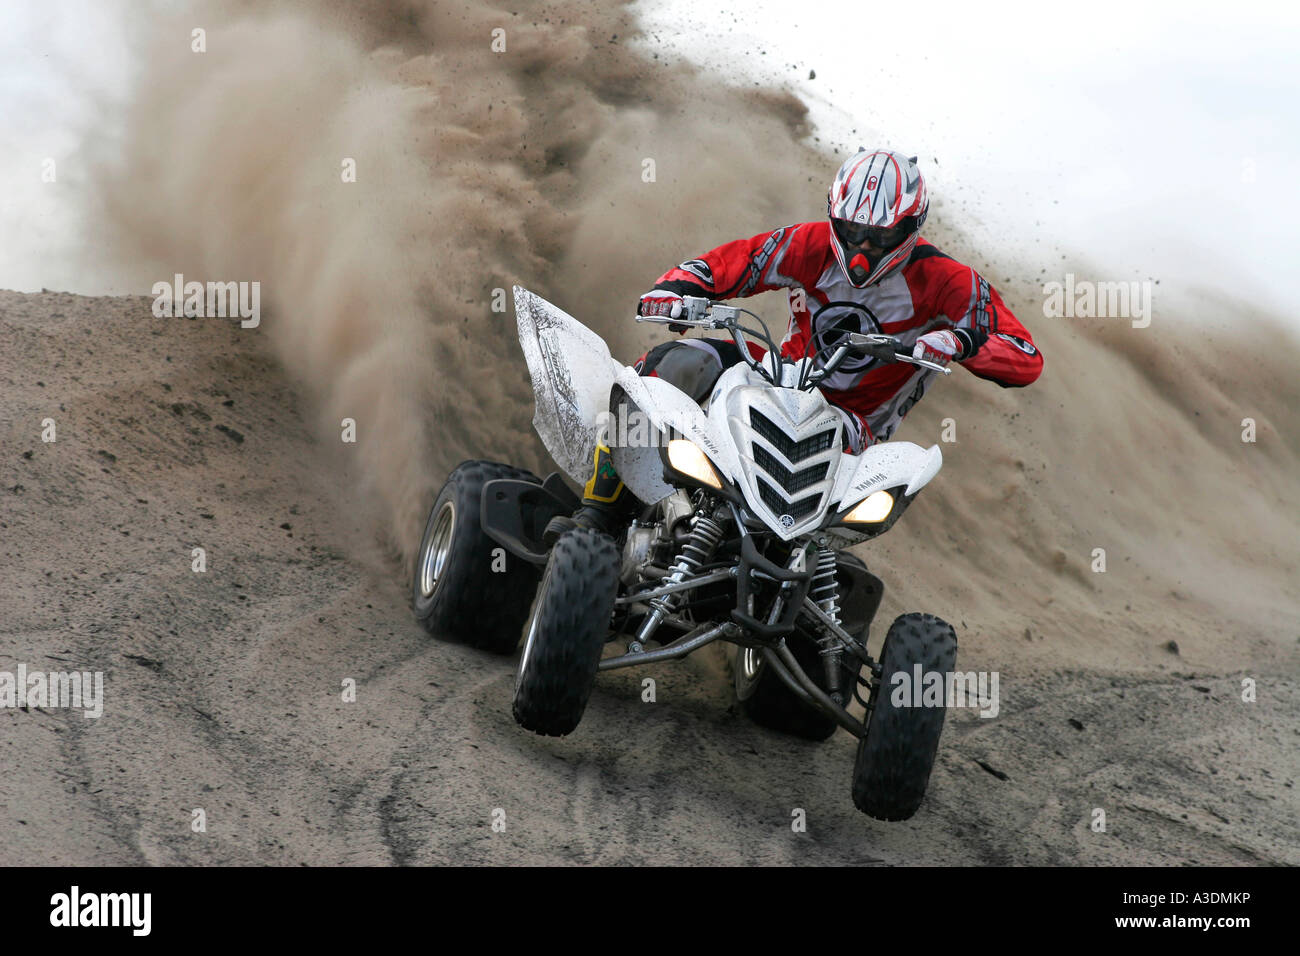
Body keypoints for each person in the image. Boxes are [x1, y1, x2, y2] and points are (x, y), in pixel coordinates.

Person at [545, 148, 1043, 542]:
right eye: (852, 231)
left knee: (862, 512)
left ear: (911, 229)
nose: (862, 249)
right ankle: (599, 515)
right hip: (779, 379)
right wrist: (678, 288)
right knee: (671, 363)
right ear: (834, 216)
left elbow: (1024, 356)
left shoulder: (947, 281)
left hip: (854, 428)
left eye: (879, 237)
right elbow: (740, 260)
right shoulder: (811, 245)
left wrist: (960, 341)